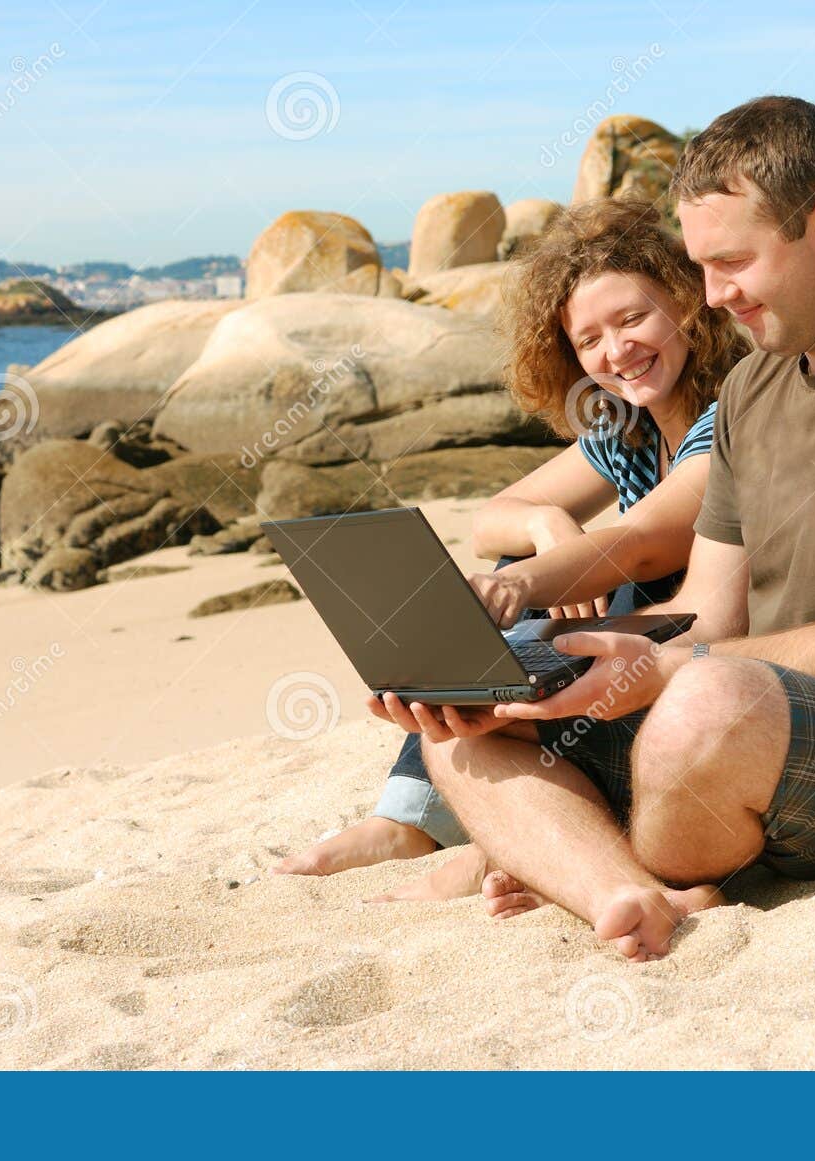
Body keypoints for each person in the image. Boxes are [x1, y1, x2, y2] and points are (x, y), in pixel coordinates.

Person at [370, 95, 815, 961]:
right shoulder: (753, 388)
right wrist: (537, 668)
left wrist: (677, 669)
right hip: (772, 715)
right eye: (703, 267)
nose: (712, 295)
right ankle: (624, 891)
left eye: (733, 262)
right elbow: (709, 613)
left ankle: (569, 853)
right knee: (469, 728)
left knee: (703, 702)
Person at [273, 197, 752, 893]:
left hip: (706, 648)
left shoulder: (730, 411)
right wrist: (545, 526)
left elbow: (647, 540)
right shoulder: (629, 426)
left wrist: (522, 583)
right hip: (643, 640)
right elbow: (491, 520)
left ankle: (471, 831)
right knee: (516, 562)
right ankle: (415, 816)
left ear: (683, 305)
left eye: (632, 319)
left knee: (523, 582)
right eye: (589, 339)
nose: (616, 351)